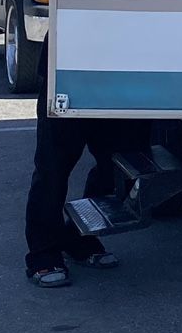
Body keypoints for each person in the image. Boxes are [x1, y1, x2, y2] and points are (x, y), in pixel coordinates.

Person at [23, 60, 144, 287]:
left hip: (124, 75)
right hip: (67, 72)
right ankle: (43, 253)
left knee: (123, 164)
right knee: (53, 168)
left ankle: (78, 237)